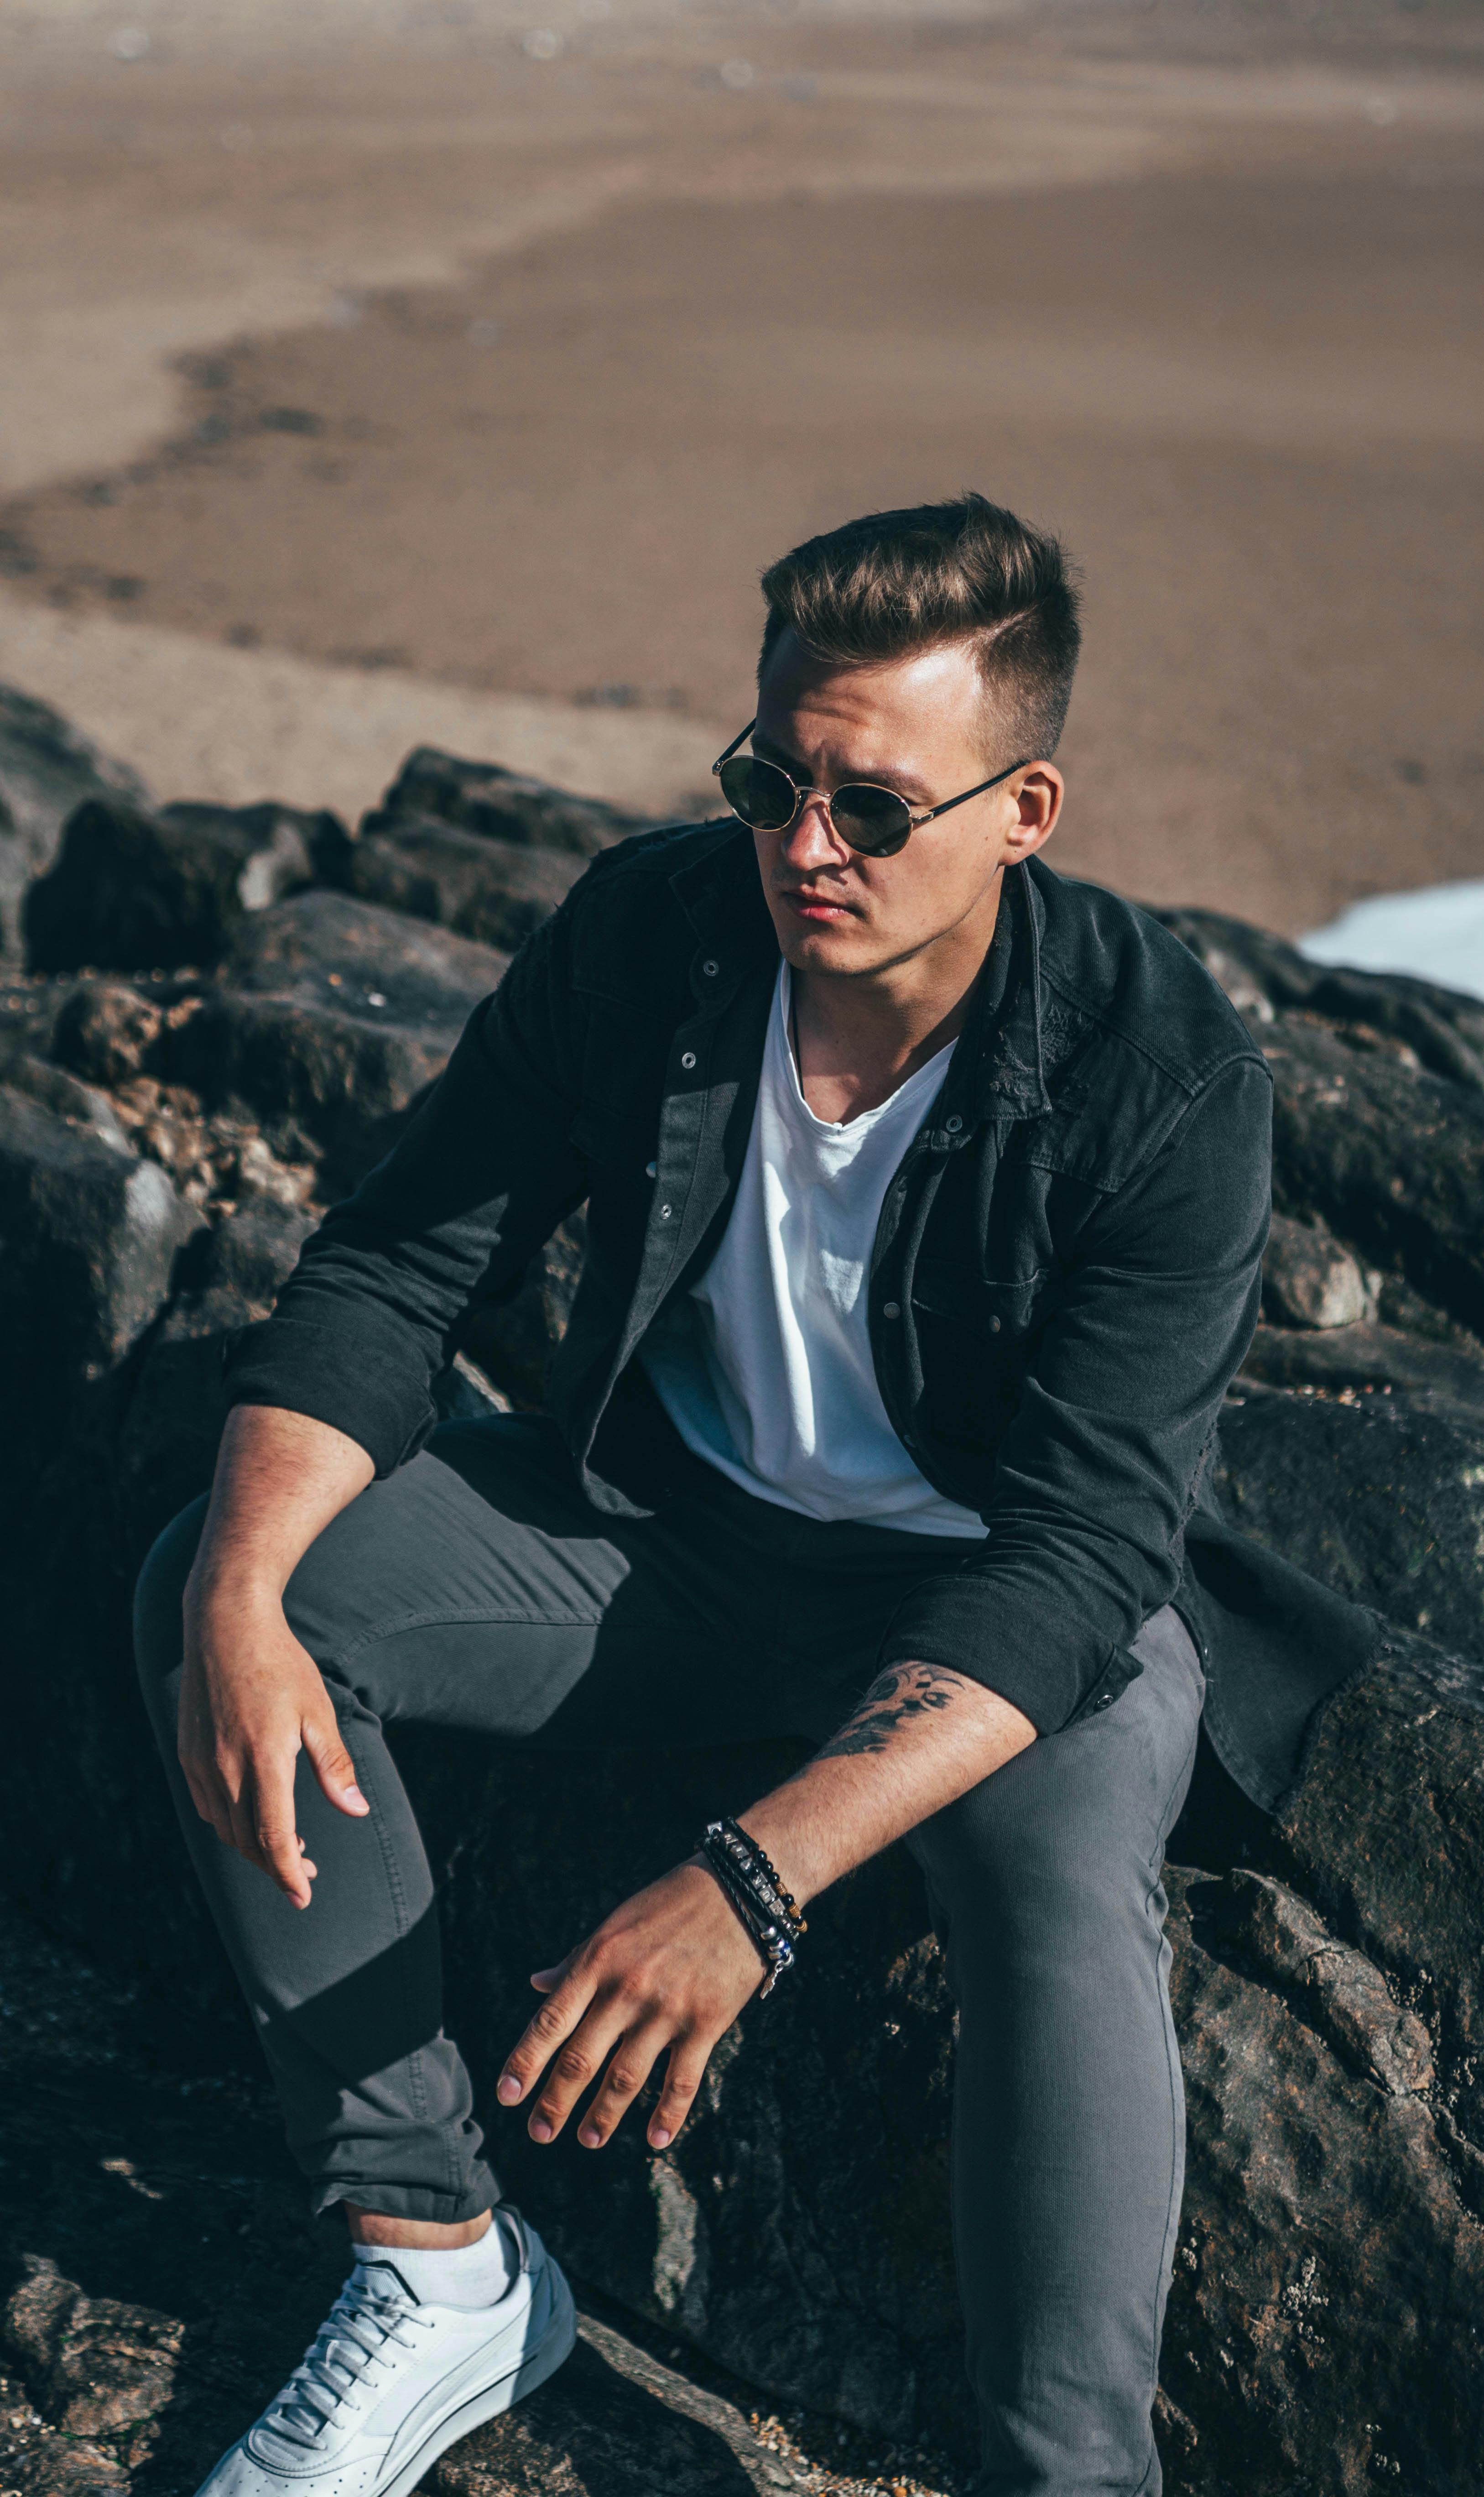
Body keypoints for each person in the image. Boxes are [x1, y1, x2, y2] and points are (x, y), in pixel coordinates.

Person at [134, 495, 1371, 2497]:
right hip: (671, 1541)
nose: (805, 846)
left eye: (874, 807)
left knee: (1056, 1880)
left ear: (1025, 807)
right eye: (768, 782)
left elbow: (1073, 1562)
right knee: (241, 1590)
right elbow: (393, 1269)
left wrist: (753, 1883)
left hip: (993, 1606)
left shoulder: (1164, 1079)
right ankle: (437, 2260)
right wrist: (244, 1590)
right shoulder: (660, 931)